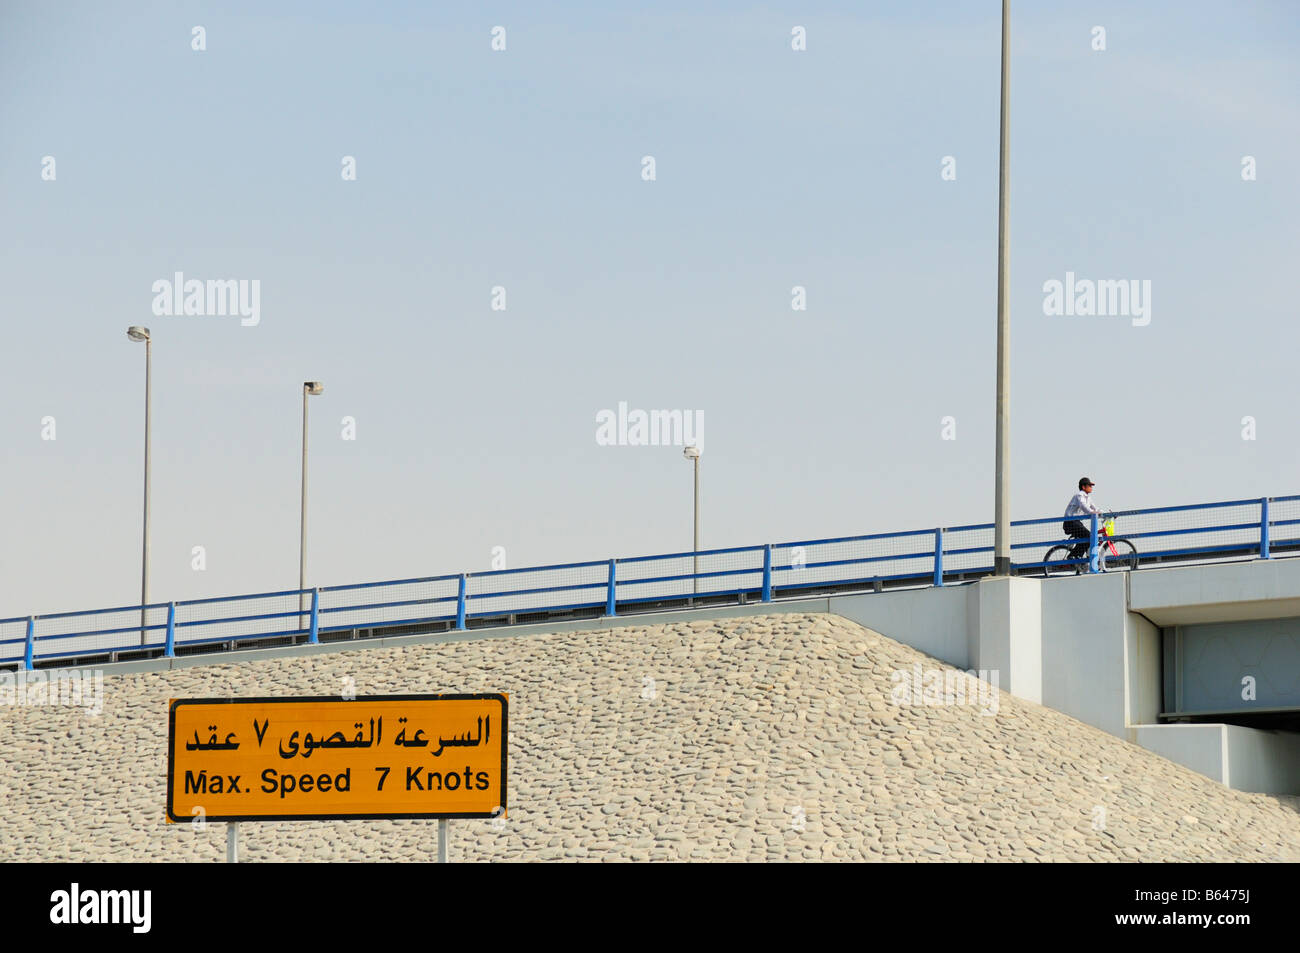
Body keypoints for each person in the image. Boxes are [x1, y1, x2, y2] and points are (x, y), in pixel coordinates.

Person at [1063, 477, 1102, 565]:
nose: (1091, 487)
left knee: (1089, 537)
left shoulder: (1088, 498)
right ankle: (1073, 556)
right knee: (1089, 536)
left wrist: (1105, 514)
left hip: (1076, 522)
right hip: (1070, 522)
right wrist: (1093, 513)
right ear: (1083, 487)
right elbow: (1084, 506)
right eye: (1089, 485)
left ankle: (1077, 556)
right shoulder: (1079, 495)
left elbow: (1095, 507)